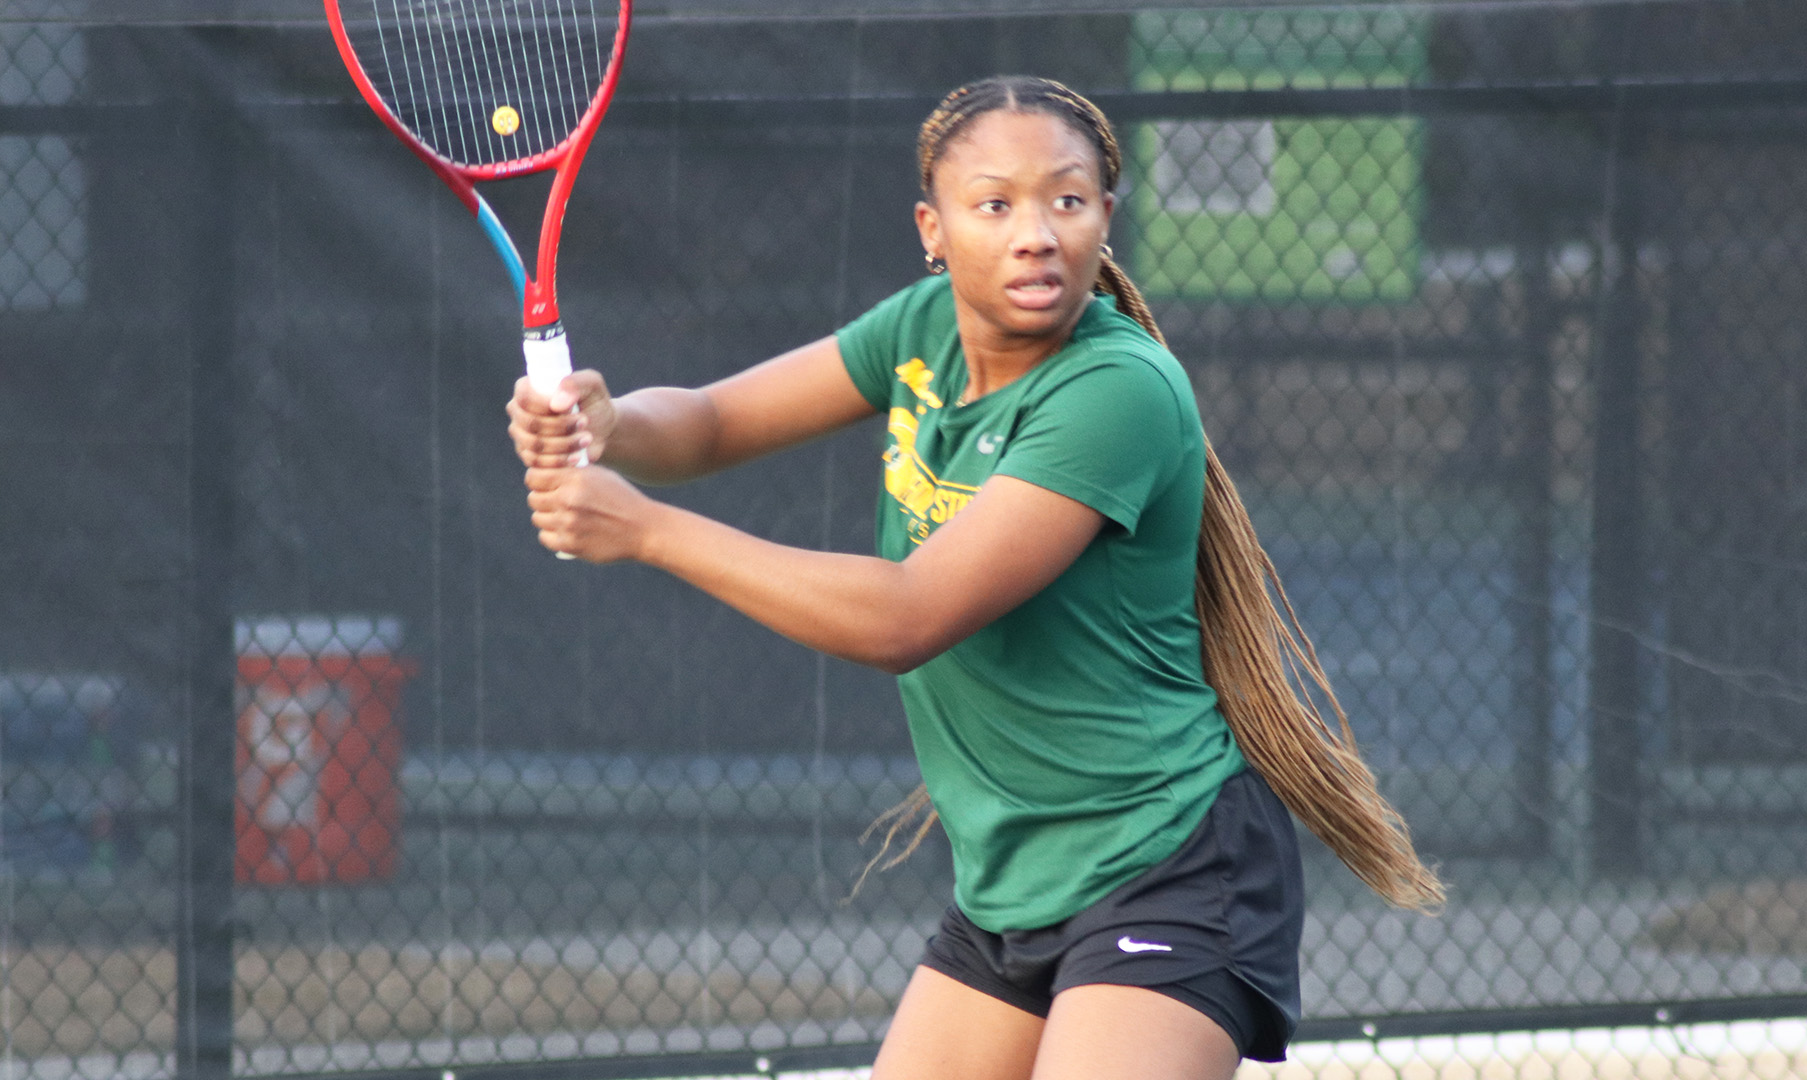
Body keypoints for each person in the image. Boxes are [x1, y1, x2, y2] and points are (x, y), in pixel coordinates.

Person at [508, 75, 1443, 1080]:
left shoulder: (1115, 390)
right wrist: (613, 425)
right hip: (1011, 887)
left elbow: (908, 617)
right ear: (933, 228)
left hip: (1167, 866)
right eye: (994, 205)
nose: (1035, 232)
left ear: (1105, 219)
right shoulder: (921, 336)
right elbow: (717, 421)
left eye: (1067, 201)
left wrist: (648, 532)